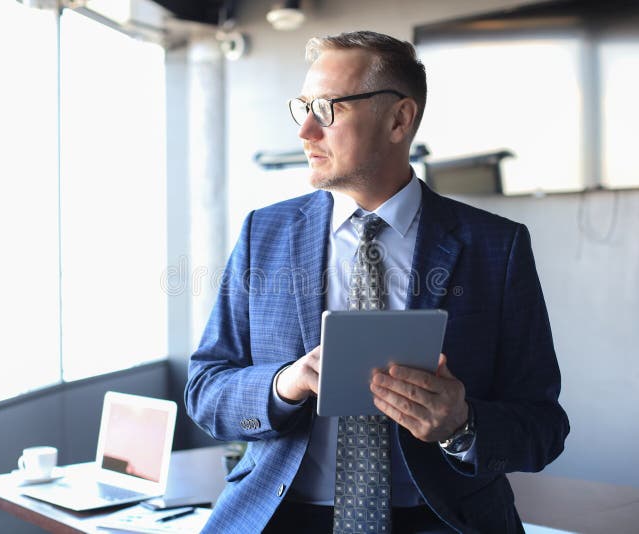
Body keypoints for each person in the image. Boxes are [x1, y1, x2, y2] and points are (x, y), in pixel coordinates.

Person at [185, 30, 569, 533]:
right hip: (279, 518)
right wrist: (286, 383)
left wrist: (461, 425)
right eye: (302, 107)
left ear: (399, 119)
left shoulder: (497, 246)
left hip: (441, 521)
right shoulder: (265, 232)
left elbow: (543, 428)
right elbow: (206, 389)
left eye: (326, 109)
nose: (305, 131)